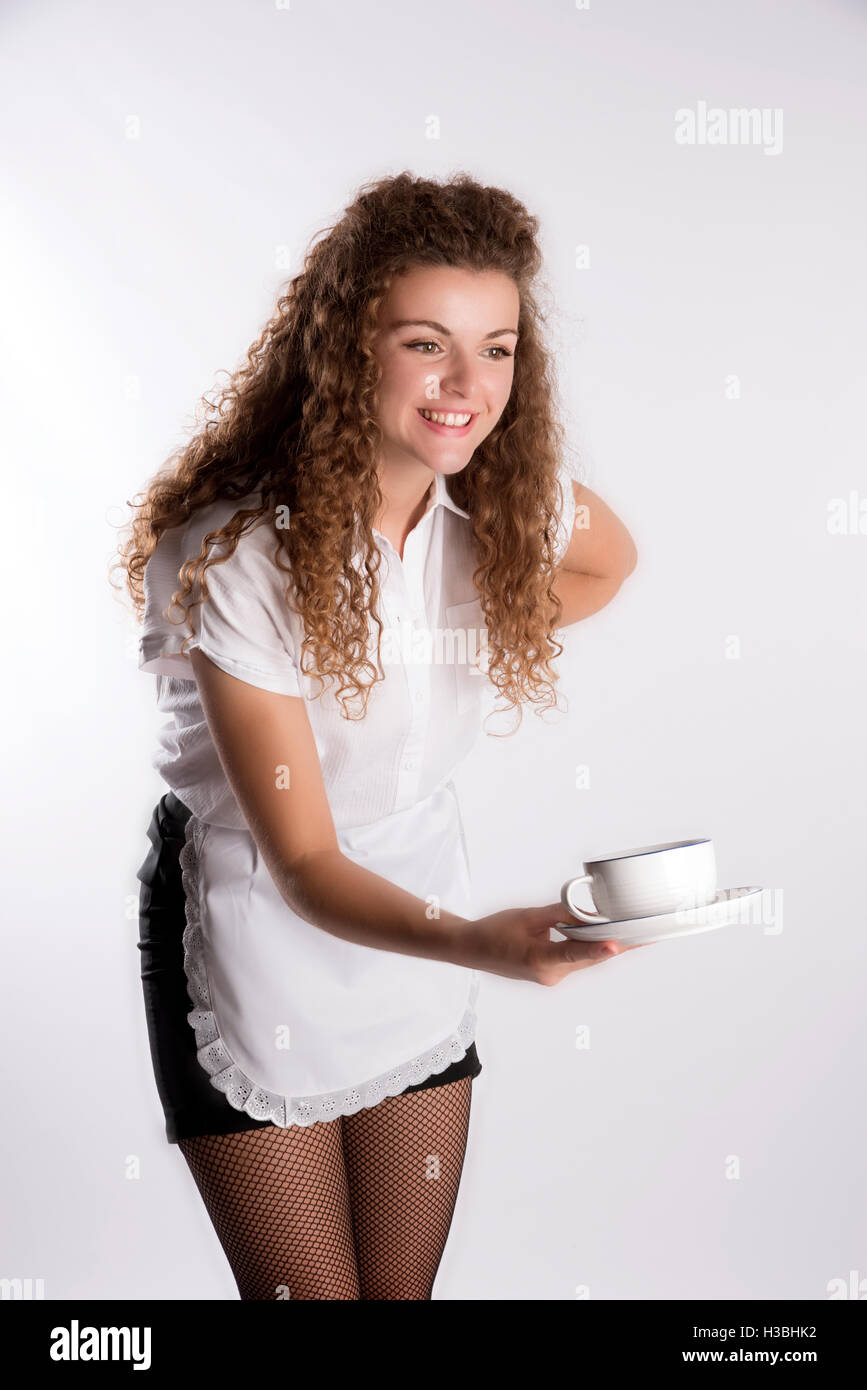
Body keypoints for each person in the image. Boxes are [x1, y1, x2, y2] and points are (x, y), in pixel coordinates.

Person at [112, 170, 641, 1301]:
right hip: (253, 914)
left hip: (417, 903)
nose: (468, 384)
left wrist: (476, 612)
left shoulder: (492, 506)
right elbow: (303, 862)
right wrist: (487, 945)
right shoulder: (242, 555)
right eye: (427, 343)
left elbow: (610, 557)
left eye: (498, 348)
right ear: (353, 347)